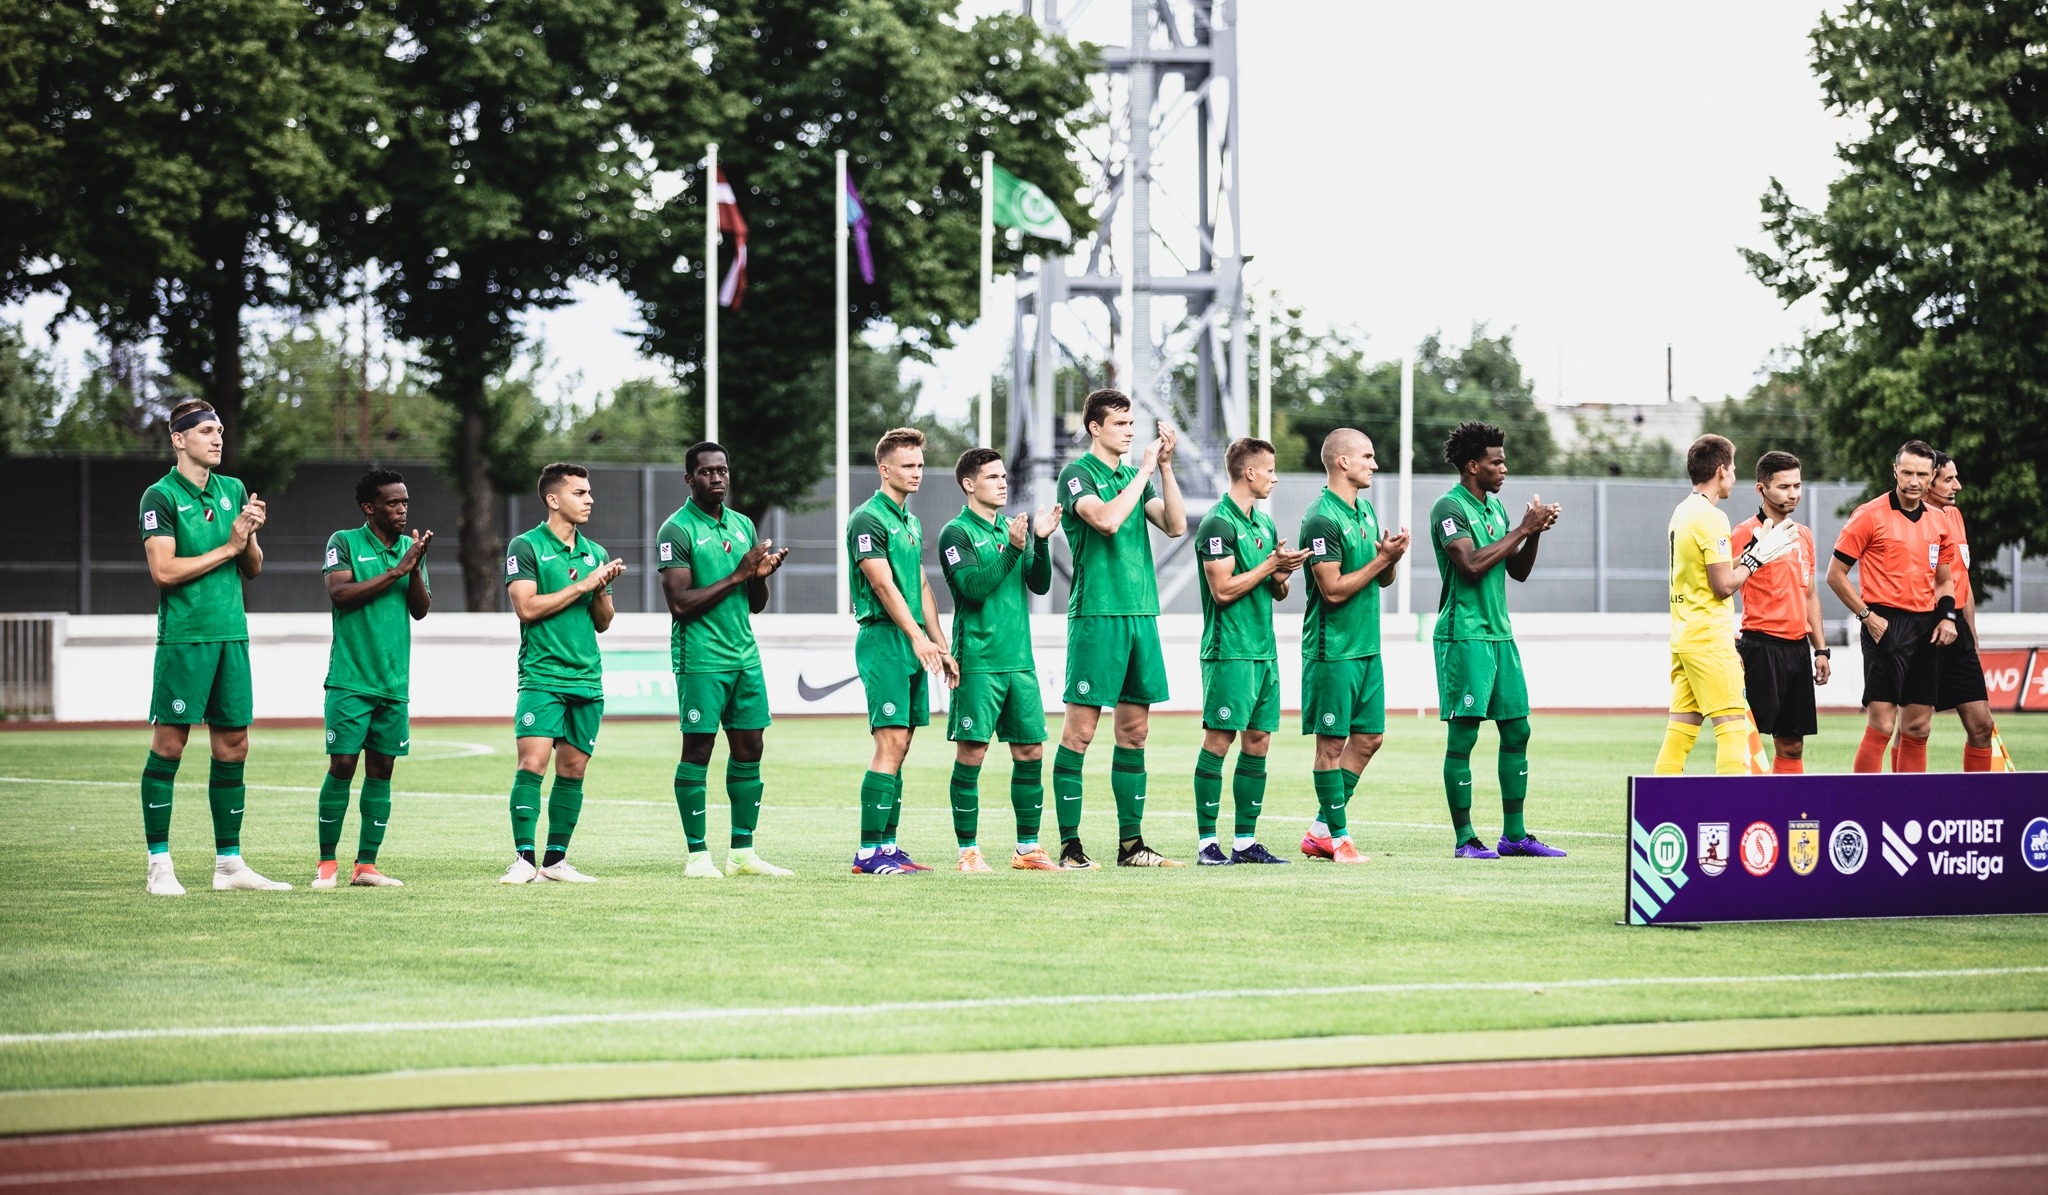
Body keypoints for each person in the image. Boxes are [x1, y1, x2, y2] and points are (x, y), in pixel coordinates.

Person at [136, 399, 288, 895]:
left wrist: (249, 538)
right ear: (179, 440)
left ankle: (229, 865)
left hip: (231, 635)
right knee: (171, 745)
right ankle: (159, 864)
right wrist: (228, 544)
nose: (217, 438)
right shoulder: (158, 497)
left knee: (234, 745)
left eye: (219, 430)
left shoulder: (234, 489)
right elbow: (164, 572)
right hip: (185, 637)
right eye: (205, 431)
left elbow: (253, 568)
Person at [1054, 390, 1189, 869]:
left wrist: (1165, 468)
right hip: (1097, 615)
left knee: (1135, 732)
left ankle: (1131, 846)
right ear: (1095, 428)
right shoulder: (1078, 475)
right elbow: (1107, 521)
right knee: (1081, 733)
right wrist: (1148, 471)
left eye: (1133, 423)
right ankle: (1070, 846)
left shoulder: (1136, 476)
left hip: (1141, 615)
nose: (1131, 430)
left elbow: (1175, 526)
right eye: (1120, 423)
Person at [1428, 420, 1566, 859]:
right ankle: (1466, 838)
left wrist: (1534, 534)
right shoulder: (1448, 508)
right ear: (1473, 465)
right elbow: (1470, 565)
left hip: (1499, 633)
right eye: (1496, 461)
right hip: (1463, 634)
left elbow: (1517, 571)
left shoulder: (1494, 509)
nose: (1504, 468)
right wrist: (1522, 529)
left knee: (1518, 730)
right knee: (1464, 737)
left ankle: (1515, 835)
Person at [657, 441, 793, 879]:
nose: (717, 478)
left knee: (751, 747)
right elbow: (680, 603)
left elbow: (755, 604)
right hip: (700, 658)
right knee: (699, 748)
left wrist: (758, 577)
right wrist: (737, 573)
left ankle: (742, 853)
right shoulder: (675, 530)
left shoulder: (742, 525)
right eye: (706, 472)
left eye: (723, 471)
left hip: (743, 656)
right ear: (689, 479)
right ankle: (697, 856)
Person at [499, 463, 626, 884]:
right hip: (542, 676)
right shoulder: (526, 546)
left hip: (586, 679)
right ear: (554, 499)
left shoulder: (596, 553)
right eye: (580, 493)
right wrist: (584, 585)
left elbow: (604, 621)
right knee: (532, 763)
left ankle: (555, 862)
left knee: (573, 771)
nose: (589, 499)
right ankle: (522, 859)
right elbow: (527, 608)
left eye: (589, 493)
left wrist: (603, 587)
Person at [938, 448, 1061, 872]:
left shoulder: (1014, 528)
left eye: (1004, 476)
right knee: (971, 756)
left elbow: (1040, 585)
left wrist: (1040, 541)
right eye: (993, 477)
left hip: (1019, 662)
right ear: (969, 484)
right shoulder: (955, 533)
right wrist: (1012, 550)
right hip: (978, 661)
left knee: (1030, 752)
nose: (1004, 483)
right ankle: (967, 851)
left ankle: (1027, 849)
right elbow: (972, 588)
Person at [1191, 438, 1312, 866]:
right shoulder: (1216, 524)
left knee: (1258, 742)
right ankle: (1207, 844)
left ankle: (1244, 843)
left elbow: (1276, 592)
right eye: (1271, 470)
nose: (1275, 477)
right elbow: (1222, 591)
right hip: (1230, 651)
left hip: (1264, 651)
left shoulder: (1261, 524)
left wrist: (1283, 570)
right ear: (1249, 472)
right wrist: (1268, 567)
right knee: (1219, 741)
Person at [1653, 436, 1801, 776]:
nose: (1734, 475)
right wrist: (1755, 560)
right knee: (1733, 725)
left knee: (1681, 729)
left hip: (1685, 635)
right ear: (1721, 471)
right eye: (1732, 469)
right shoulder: (1712, 517)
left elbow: (1709, 570)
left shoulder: (1683, 511)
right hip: (1709, 637)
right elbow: (1722, 586)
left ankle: (1658, 812)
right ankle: (1732, 814)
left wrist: (1752, 553)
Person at [314, 468, 433, 889]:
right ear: (369, 507)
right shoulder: (343, 542)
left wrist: (414, 568)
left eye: (405, 502)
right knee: (343, 765)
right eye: (392, 503)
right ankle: (326, 864)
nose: (402, 510)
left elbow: (420, 610)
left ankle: (366, 866)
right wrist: (398, 571)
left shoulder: (410, 549)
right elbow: (340, 595)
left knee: (382, 770)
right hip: (350, 678)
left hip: (393, 682)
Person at [847, 427, 957, 875]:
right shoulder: (867, 518)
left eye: (920, 465)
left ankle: (889, 847)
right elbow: (882, 583)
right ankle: (868, 853)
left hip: (913, 641)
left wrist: (940, 643)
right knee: (889, 743)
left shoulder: (909, 520)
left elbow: (923, 585)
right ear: (885, 468)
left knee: (904, 743)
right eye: (908, 465)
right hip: (885, 640)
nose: (917, 473)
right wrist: (915, 636)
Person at [1297, 428, 1408, 864]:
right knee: (1329, 745)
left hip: (1366, 647)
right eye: (1367, 456)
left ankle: (1321, 831)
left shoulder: (1362, 510)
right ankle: (1339, 839)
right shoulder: (1321, 518)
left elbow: (1381, 577)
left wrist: (1389, 559)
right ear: (1342, 462)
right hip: (1333, 650)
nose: (1374, 464)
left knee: (1370, 738)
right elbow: (1333, 590)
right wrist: (1382, 560)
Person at [1826, 440, 1957, 773]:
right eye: (1908, 472)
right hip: (1884, 624)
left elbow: (1944, 579)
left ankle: (1908, 806)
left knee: (1917, 729)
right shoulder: (1869, 515)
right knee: (1882, 726)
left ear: (1931, 478)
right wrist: (1867, 616)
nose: (1914, 481)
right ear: (1895, 470)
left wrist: (1947, 618)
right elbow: (1835, 575)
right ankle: (1863, 804)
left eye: (1922, 474)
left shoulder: (1940, 521)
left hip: (1925, 628)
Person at [1728, 451, 1828, 773]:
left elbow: (1810, 594)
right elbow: (1722, 588)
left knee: (1792, 744)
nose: (1794, 493)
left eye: (1797, 485)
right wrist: (1730, 641)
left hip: (1797, 650)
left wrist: (1821, 650)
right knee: (1748, 743)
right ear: (1761, 489)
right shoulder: (1744, 534)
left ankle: (1787, 811)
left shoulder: (1805, 535)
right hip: (1759, 647)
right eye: (1784, 486)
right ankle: (1748, 815)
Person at [1924, 451, 1999, 771]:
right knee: (1913, 729)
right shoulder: (1913, 519)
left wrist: (1972, 633)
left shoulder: (1954, 516)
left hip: (1959, 630)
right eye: (1949, 479)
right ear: (1928, 482)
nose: (1958, 485)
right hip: (1923, 628)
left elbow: (1961, 577)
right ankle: (1904, 801)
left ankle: (1979, 803)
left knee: (1982, 726)